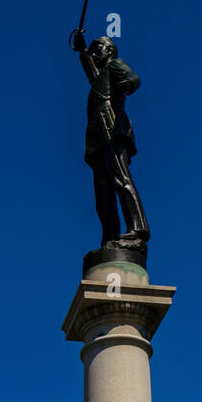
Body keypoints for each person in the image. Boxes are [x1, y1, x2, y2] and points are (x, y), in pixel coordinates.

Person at [73, 32, 150, 249]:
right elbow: (93, 74)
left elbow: (133, 79)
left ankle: (138, 230)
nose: (94, 52)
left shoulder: (115, 65)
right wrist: (81, 51)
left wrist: (127, 85)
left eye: (98, 49)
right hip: (98, 137)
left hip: (112, 128)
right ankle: (110, 237)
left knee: (121, 179)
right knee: (103, 193)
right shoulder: (101, 75)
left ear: (109, 51)